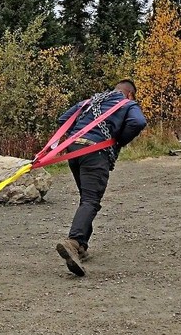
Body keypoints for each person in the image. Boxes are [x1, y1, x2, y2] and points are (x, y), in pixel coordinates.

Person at [55, 79, 147, 277]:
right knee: (90, 200)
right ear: (130, 94)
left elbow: (63, 120)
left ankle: (81, 246)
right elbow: (138, 122)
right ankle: (73, 241)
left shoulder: (89, 102)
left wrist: (76, 137)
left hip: (74, 150)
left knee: (86, 199)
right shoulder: (128, 104)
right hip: (95, 152)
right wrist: (117, 141)